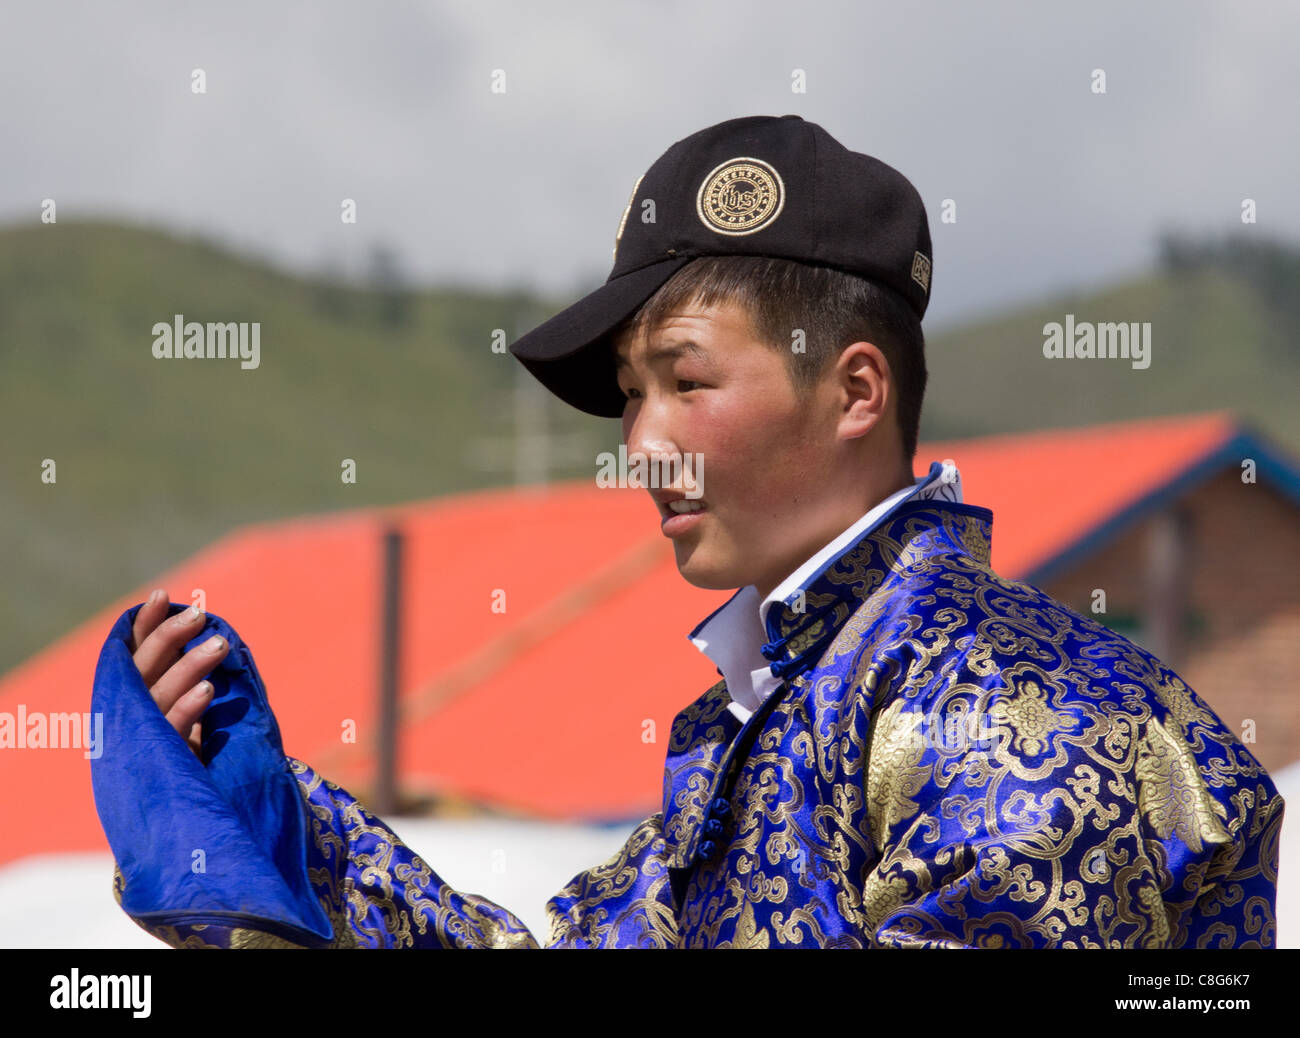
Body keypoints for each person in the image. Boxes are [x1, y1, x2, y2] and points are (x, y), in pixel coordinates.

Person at [92, 114, 1283, 948]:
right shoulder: (768, 714)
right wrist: (275, 832)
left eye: (685, 382)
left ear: (855, 392)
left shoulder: (1018, 707)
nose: (640, 443)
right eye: (629, 395)